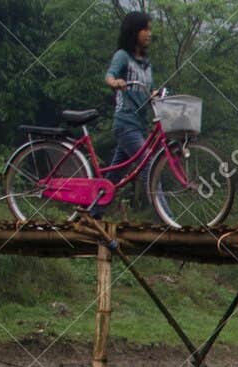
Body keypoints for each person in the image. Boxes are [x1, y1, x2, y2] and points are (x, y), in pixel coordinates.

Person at [97, 11, 154, 216]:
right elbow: (109, 76)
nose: (149, 33)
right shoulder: (123, 56)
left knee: (113, 176)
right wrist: (116, 82)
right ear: (133, 31)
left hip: (139, 125)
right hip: (125, 123)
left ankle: (93, 212)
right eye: (144, 29)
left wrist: (156, 95)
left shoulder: (146, 64)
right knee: (150, 165)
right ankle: (167, 216)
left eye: (150, 29)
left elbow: (149, 92)